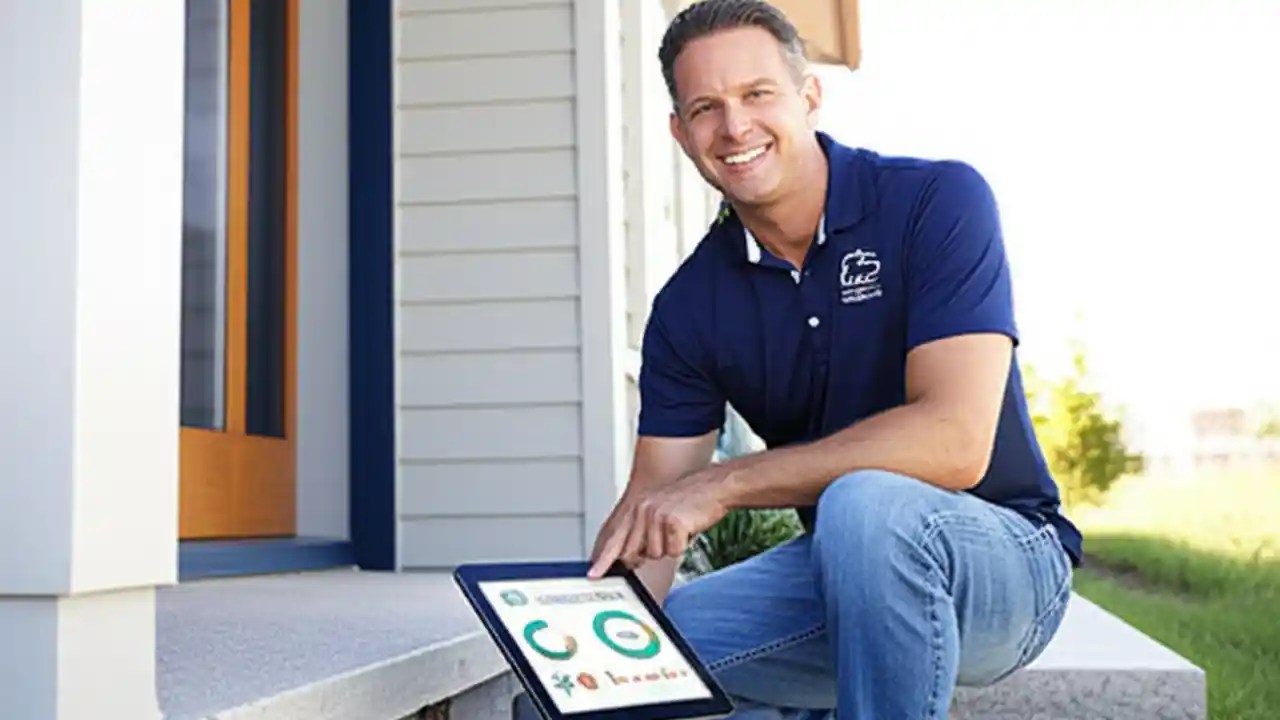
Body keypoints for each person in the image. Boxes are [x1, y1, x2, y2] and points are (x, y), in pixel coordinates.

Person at [516, 1, 1080, 717]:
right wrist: (586, 642)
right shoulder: (690, 308)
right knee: (616, 678)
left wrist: (723, 485)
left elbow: (955, 442)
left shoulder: (934, 201)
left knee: (864, 505)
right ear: (681, 134)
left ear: (809, 95)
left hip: (1004, 564)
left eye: (757, 95)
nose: (735, 127)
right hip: (834, 575)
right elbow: (656, 507)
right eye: (706, 108)